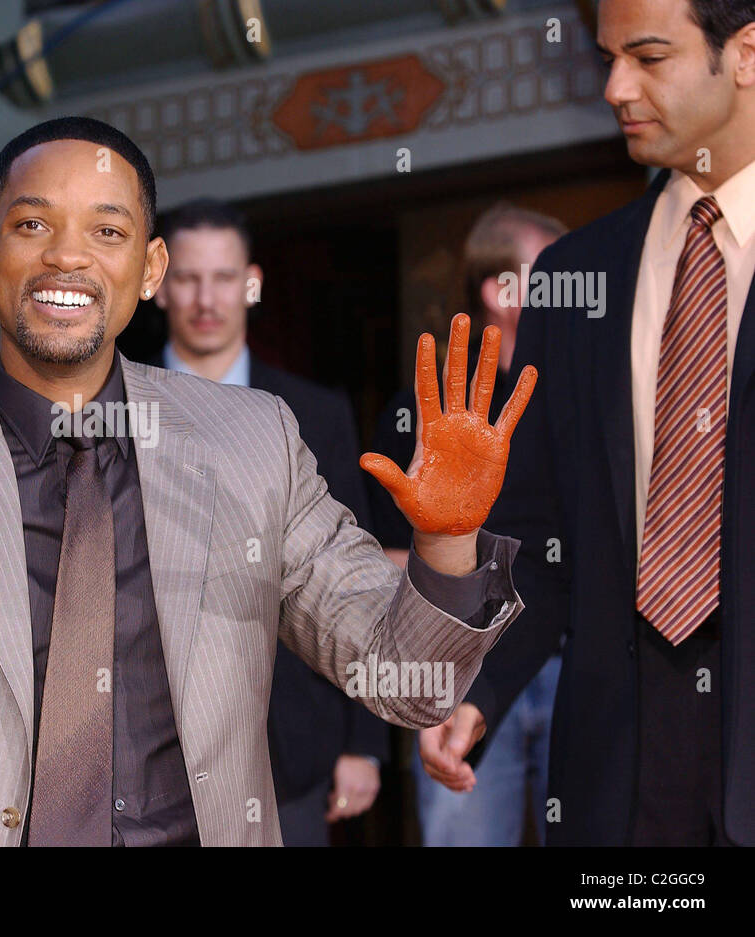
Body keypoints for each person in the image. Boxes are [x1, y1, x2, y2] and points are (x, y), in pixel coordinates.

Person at [0, 116, 534, 846]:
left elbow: (406, 684)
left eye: (108, 231)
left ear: (150, 270)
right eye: (33, 225)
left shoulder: (253, 439)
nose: (68, 259)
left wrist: (445, 544)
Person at [420, 0, 755, 846]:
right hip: (616, 784)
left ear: (746, 54)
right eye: (607, 57)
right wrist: (477, 688)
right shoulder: (575, 277)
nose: (614, 86)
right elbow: (539, 540)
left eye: (648, 56)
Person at [149, 198, 387, 845]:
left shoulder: (315, 411)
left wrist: (364, 743)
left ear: (251, 284)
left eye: (224, 277)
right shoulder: (112, 413)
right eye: (189, 277)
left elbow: (353, 578)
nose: (206, 297)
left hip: (293, 750)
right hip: (149, 754)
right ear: (158, 282)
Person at [367, 203, 568, 845]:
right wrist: (432, 677)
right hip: (465, 672)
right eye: (553, 275)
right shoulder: (424, 412)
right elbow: (389, 561)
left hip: (578, 663)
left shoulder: (579, 401)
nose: (571, 293)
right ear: (498, 290)